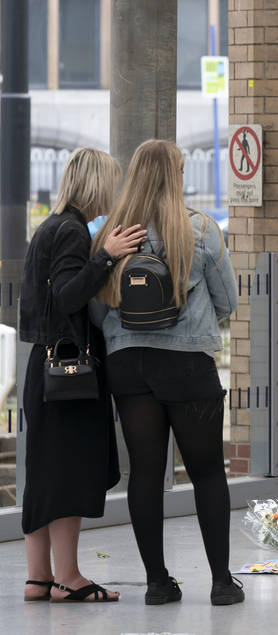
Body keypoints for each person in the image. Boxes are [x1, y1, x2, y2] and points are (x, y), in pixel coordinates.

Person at [89, 139, 240, 606]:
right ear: (177, 176)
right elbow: (228, 302)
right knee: (207, 472)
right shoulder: (200, 229)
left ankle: (157, 584)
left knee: (146, 472)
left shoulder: (112, 234)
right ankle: (221, 583)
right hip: (188, 364)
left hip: (129, 365)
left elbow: (97, 310)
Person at [18, 148, 145, 603]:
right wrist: (106, 257)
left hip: (44, 367)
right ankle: (68, 578)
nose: (114, 192)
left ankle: (39, 577)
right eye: (110, 182)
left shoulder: (48, 228)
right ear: (95, 184)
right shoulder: (72, 231)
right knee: (68, 474)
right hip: (69, 374)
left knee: (45, 474)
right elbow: (70, 296)